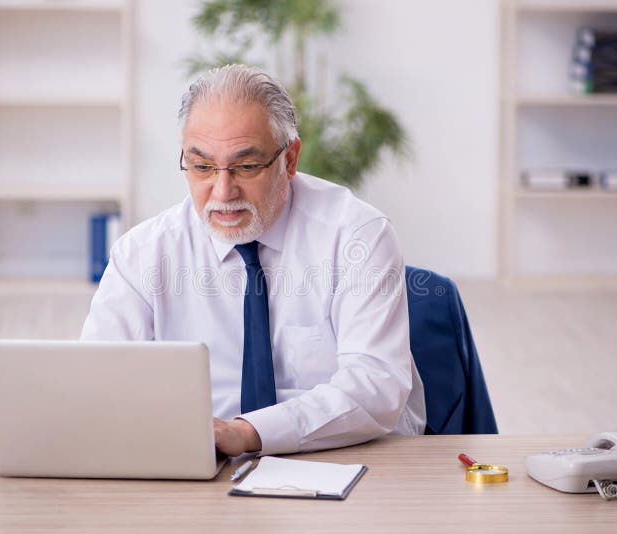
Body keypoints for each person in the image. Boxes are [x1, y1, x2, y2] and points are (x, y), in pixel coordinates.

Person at [81, 64, 425, 457]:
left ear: (290, 159)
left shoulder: (357, 236)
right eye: (202, 167)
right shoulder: (142, 254)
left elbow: (376, 385)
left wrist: (248, 433)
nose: (223, 192)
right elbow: (97, 385)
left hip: (349, 456)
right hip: (200, 463)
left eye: (245, 167)